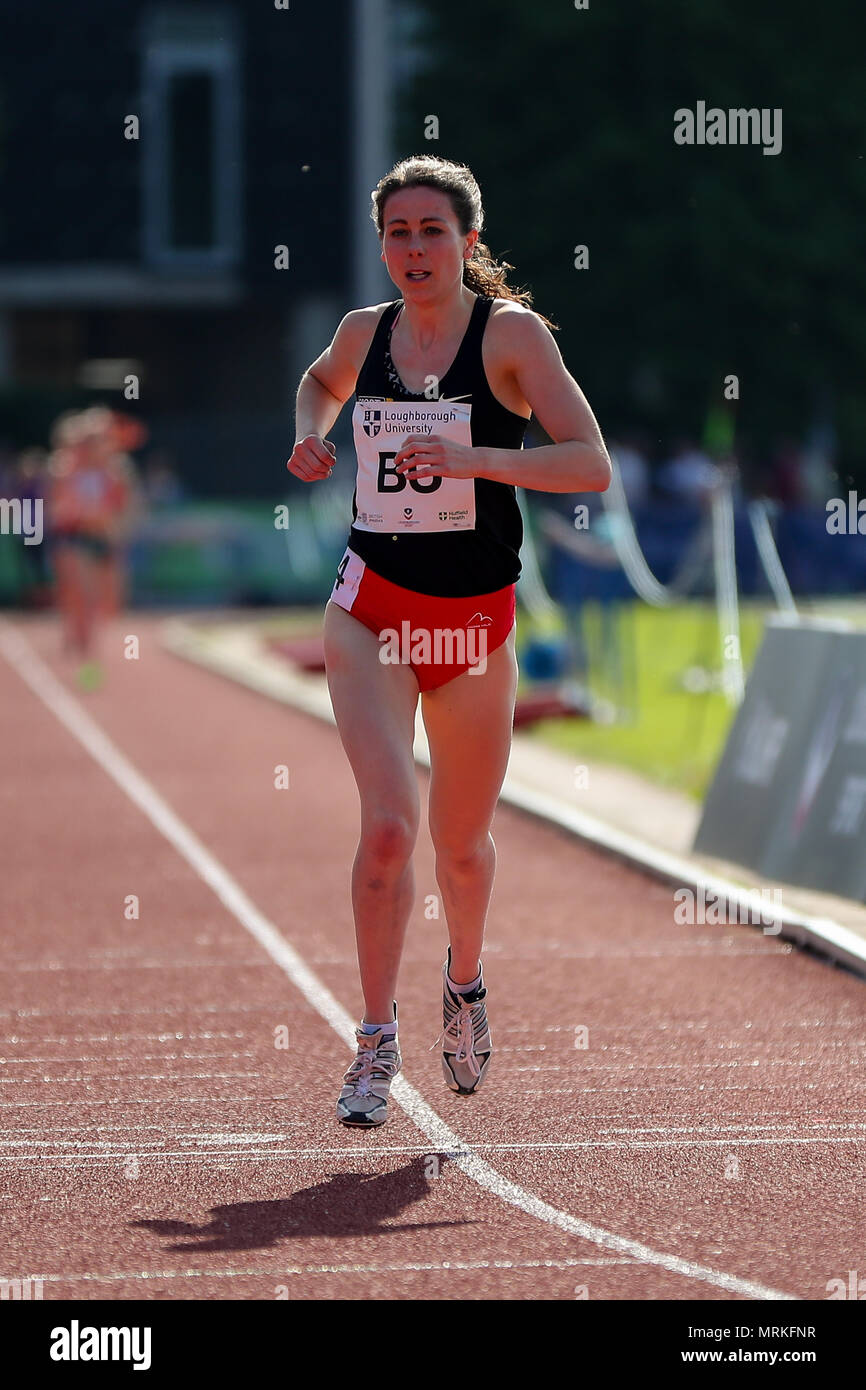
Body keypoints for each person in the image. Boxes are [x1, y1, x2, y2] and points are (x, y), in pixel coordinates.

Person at [286, 155, 611, 1127]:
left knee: (460, 849)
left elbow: (588, 464)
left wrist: (472, 455)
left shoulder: (508, 337)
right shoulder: (362, 333)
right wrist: (311, 432)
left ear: (466, 242)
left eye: (431, 231)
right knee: (387, 828)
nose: (413, 249)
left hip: (471, 625)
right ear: (379, 243)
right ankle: (373, 1045)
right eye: (397, 233)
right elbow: (317, 380)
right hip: (371, 612)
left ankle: (462, 983)